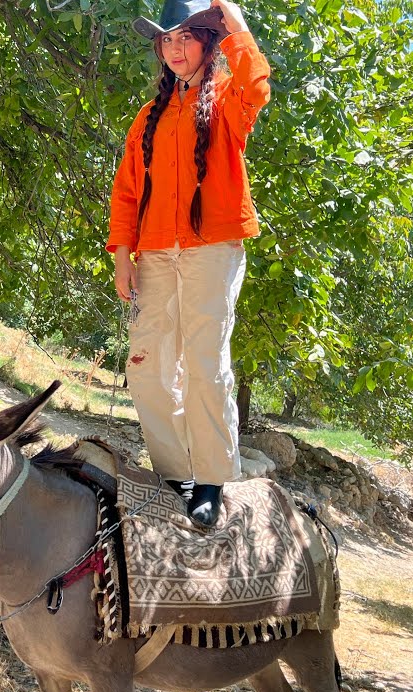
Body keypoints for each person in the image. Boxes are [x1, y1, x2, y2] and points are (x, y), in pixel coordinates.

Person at [106, 0, 271, 528]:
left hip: (211, 250)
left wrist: (237, 25)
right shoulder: (148, 116)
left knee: (204, 365)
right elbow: (129, 191)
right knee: (148, 368)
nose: (174, 49)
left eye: (185, 38)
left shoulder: (227, 100)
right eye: (166, 40)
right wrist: (123, 255)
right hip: (153, 252)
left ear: (208, 41)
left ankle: (210, 480)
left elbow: (258, 86)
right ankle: (175, 471)